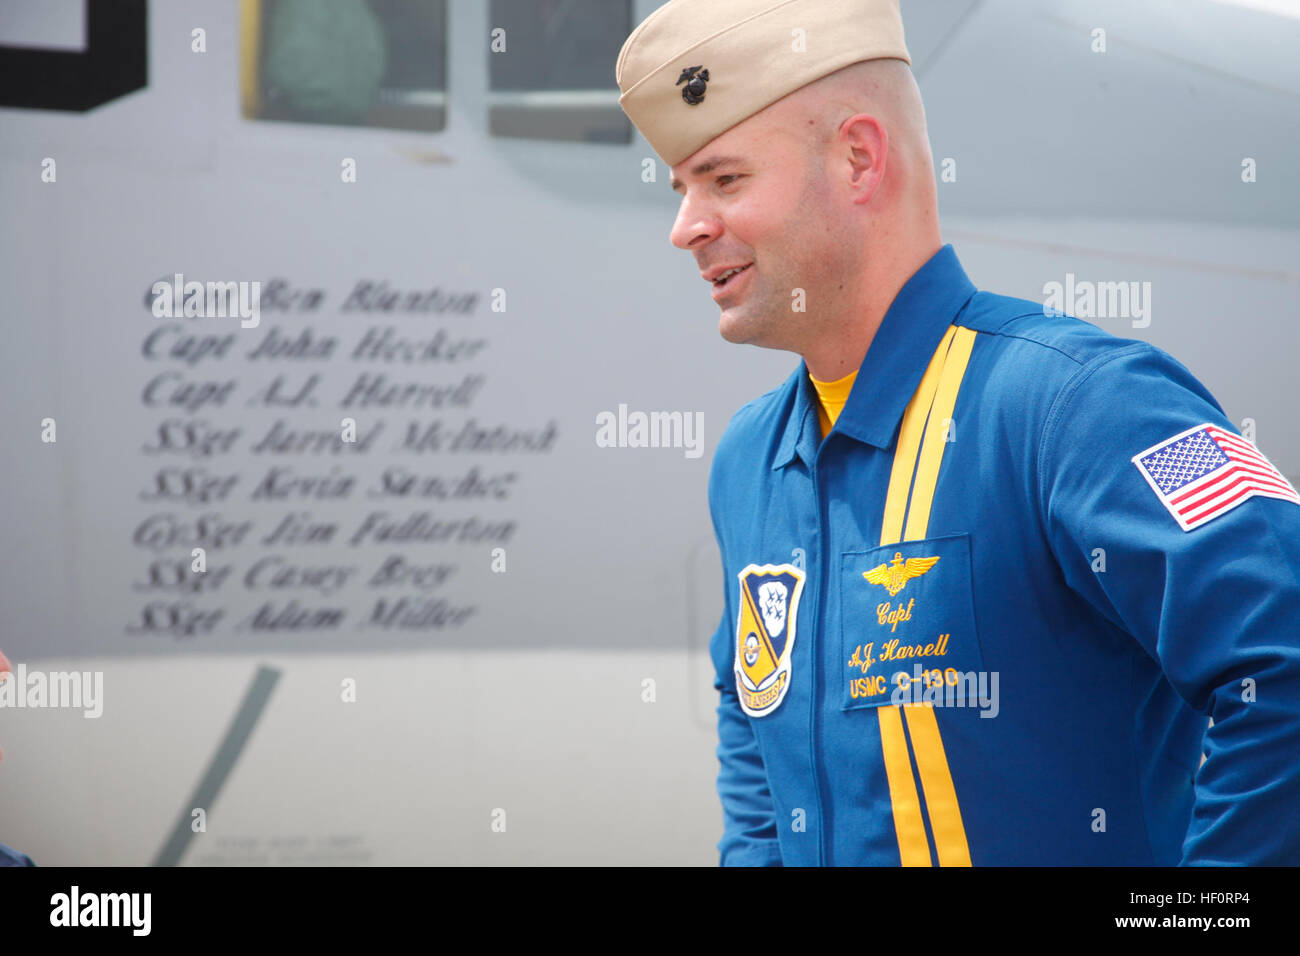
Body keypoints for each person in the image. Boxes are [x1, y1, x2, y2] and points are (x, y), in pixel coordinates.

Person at [616, 0, 1300, 865]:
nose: (686, 228)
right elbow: (754, 738)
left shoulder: (1085, 403)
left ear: (860, 159)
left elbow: (1281, 661)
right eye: (683, 189)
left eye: (723, 180)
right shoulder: (750, 463)